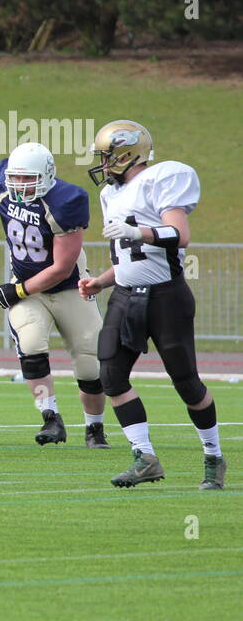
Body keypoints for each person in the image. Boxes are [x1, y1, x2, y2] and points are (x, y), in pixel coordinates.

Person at [77, 120, 226, 490]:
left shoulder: (161, 178)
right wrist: (101, 280)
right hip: (125, 296)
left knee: (187, 384)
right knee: (110, 376)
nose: (102, 162)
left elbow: (180, 235)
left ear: (128, 153)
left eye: (107, 155)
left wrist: (136, 231)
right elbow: (132, 258)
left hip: (166, 296)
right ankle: (144, 457)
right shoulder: (110, 194)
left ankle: (213, 457)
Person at [0, 143, 109, 447]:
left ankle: (94, 427)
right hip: (28, 287)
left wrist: (17, 290)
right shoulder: (8, 187)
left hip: (68, 286)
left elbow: (61, 267)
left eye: (27, 179)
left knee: (89, 363)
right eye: (15, 178)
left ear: (47, 175)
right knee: (30, 345)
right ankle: (50, 418)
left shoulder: (65, 201)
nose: (20, 186)